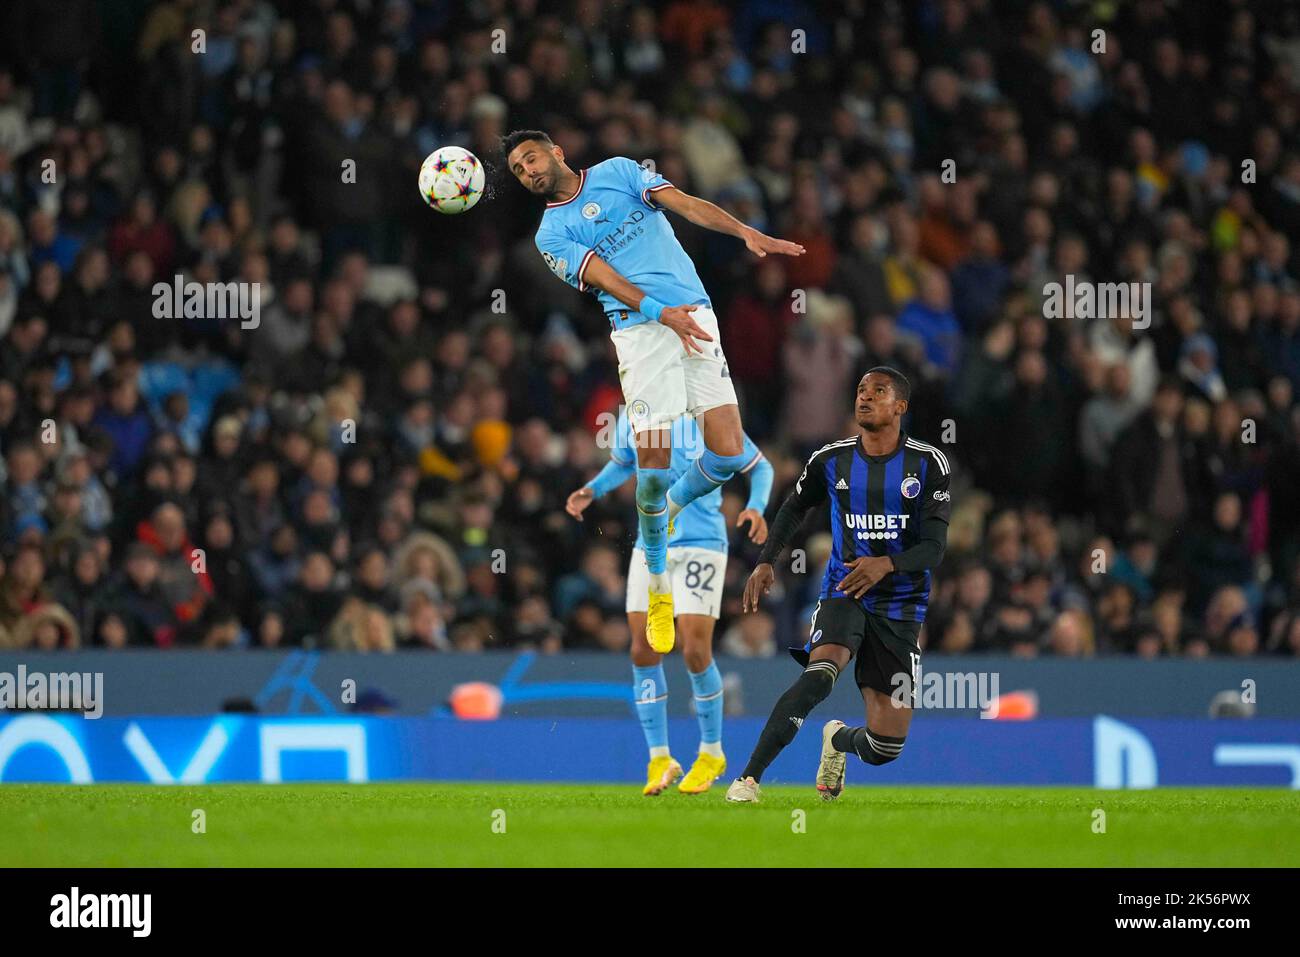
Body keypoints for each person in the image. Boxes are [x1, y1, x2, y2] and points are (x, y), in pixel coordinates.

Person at [506, 129, 802, 656]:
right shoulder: (550, 234)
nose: (527, 171)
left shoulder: (619, 171)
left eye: (530, 157)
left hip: (694, 310)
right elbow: (604, 276)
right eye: (517, 170)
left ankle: (666, 511)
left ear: (557, 151)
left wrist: (742, 231)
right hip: (642, 333)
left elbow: (684, 204)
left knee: (730, 452)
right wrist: (657, 313)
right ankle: (659, 583)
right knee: (655, 464)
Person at [728, 367, 951, 803]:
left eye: (878, 391)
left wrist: (885, 564)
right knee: (821, 674)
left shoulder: (928, 464)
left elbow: (934, 549)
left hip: (901, 606)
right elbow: (794, 507)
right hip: (844, 589)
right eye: (861, 391)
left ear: (900, 407)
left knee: (886, 746)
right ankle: (748, 779)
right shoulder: (831, 459)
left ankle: (837, 741)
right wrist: (766, 561)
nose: (865, 398)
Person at [566, 408, 772, 795]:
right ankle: (660, 757)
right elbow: (622, 463)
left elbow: (761, 467)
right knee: (643, 648)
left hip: (702, 544)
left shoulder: (707, 408)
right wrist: (593, 489)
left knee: (694, 648)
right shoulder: (636, 411)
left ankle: (711, 751)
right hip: (651, 543)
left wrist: (756, 506)